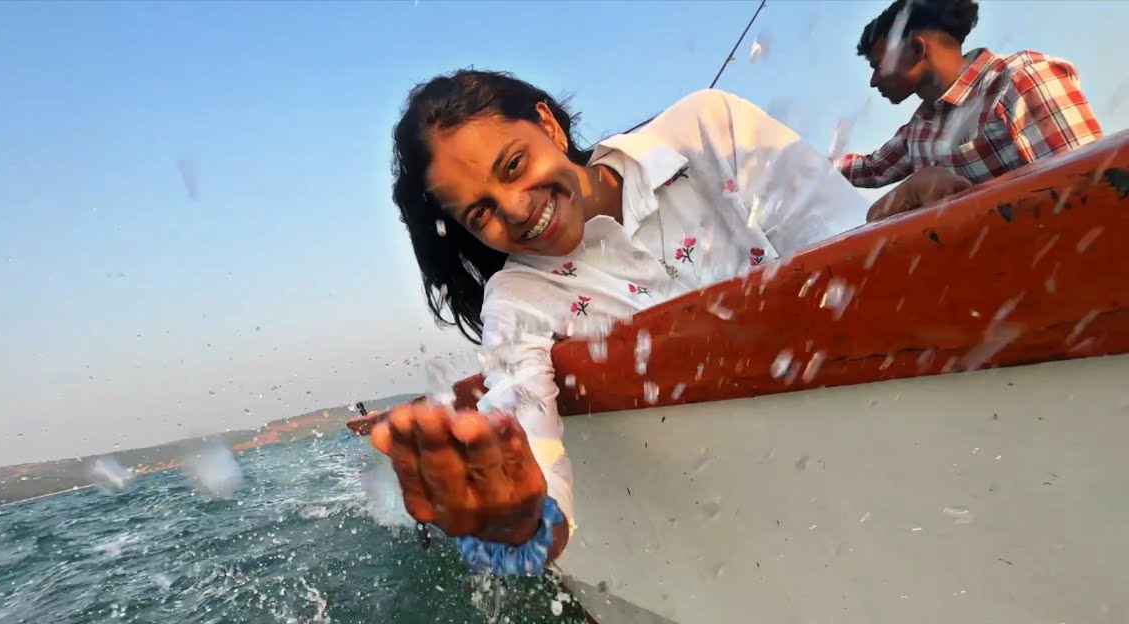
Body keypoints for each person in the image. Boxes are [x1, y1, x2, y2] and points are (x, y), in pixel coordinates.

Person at [371, 69, 866, 576]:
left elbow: (857, 262)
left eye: (514, 164)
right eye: (481, 214)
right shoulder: (518, 299)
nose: (517, 208)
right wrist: (521, 524)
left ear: (548, 126)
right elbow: (530, 440)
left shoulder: (709, 129)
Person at [837, 0, 1103, 222]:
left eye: (877, 65)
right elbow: (870, 169)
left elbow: (1093, 194)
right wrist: (803, 159)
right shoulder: (918, 129)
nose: (873, 81)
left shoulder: (1019, 80)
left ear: (917, 49)